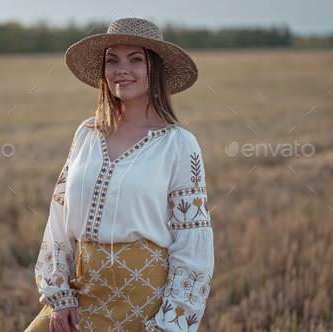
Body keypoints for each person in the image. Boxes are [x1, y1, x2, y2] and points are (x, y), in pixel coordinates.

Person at [25, 17, 214, 332]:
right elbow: (58, 217)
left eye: (135, 59)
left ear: (155, 69)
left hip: (144, 298)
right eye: (112, 60)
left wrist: (172, 323)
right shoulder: (86, 134)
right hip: (82, 290)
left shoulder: (179, 145)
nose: (121, 69)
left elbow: (192, 240)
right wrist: (59, 294)